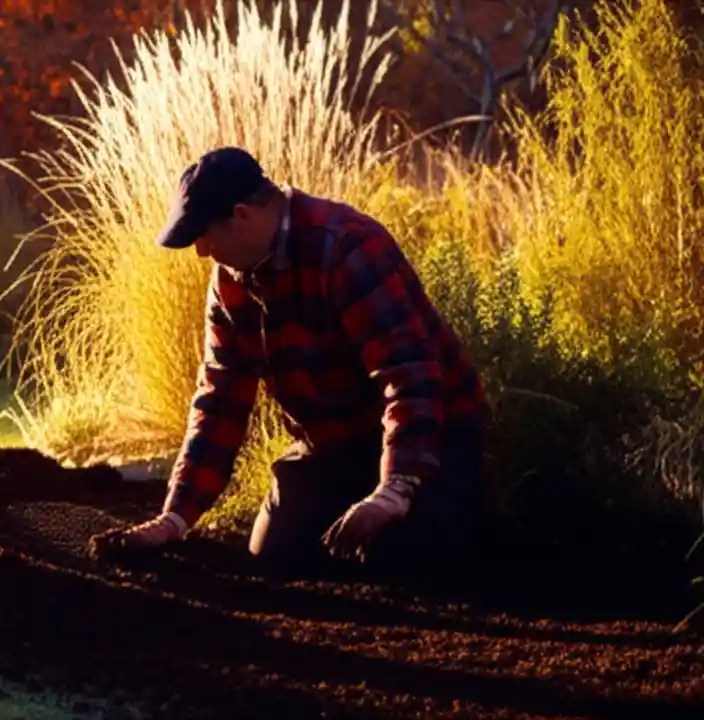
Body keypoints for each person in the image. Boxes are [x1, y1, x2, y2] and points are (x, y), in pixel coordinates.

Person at [93, 146, 491, 578]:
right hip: (332, 446)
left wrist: (394, 488)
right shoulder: (231, 281)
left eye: (204, 236)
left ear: (242, 216)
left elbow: (410, 378)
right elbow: (220, 401)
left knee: (400, 558)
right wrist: (174, 518)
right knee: (273, 556)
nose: (201, 252)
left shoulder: (346, 249)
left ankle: (465, 518)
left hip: (433, 436)